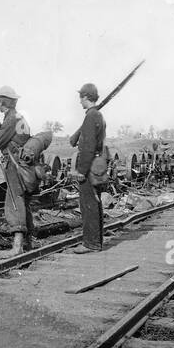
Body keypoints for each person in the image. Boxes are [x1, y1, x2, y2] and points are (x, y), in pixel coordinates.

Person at [0, 86, 34, 258]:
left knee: (14, 201)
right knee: (22, 200)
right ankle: (27, 243)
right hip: (24, 165)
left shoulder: (10, 119)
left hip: (15, 165)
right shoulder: (20, 117)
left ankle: (17, 247)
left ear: (3, 102)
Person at [69, 83, 106, 254]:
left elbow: (88, 147)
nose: (79, 102)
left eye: (80, 98)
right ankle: (95, 242)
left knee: (88, 205)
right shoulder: (98, 115)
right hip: (97, 165)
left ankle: (91, 244)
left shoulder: (91, 117)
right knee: (95, 203)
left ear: (85, 97)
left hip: (89, 167)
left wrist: (81, 172)